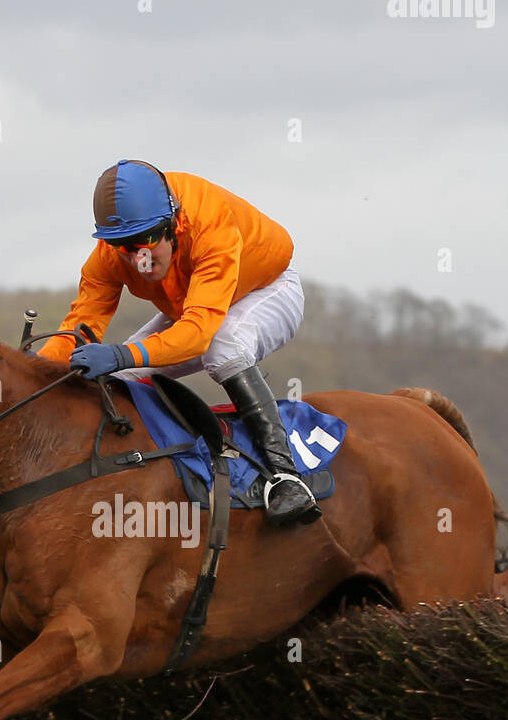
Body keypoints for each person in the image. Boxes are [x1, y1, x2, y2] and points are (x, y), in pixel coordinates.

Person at [39, 160, 320, 526]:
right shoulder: (109, 255)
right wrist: (34, 370)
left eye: (147, 240)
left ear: (173, 222)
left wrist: (120, 353)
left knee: (223, 348)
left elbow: (199, 333)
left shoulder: (210, 222)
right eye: (124, 245)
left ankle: (286, 477)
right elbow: (80, 327)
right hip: (196, 304)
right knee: (124, 378)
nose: (138, 257)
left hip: (267, 289)